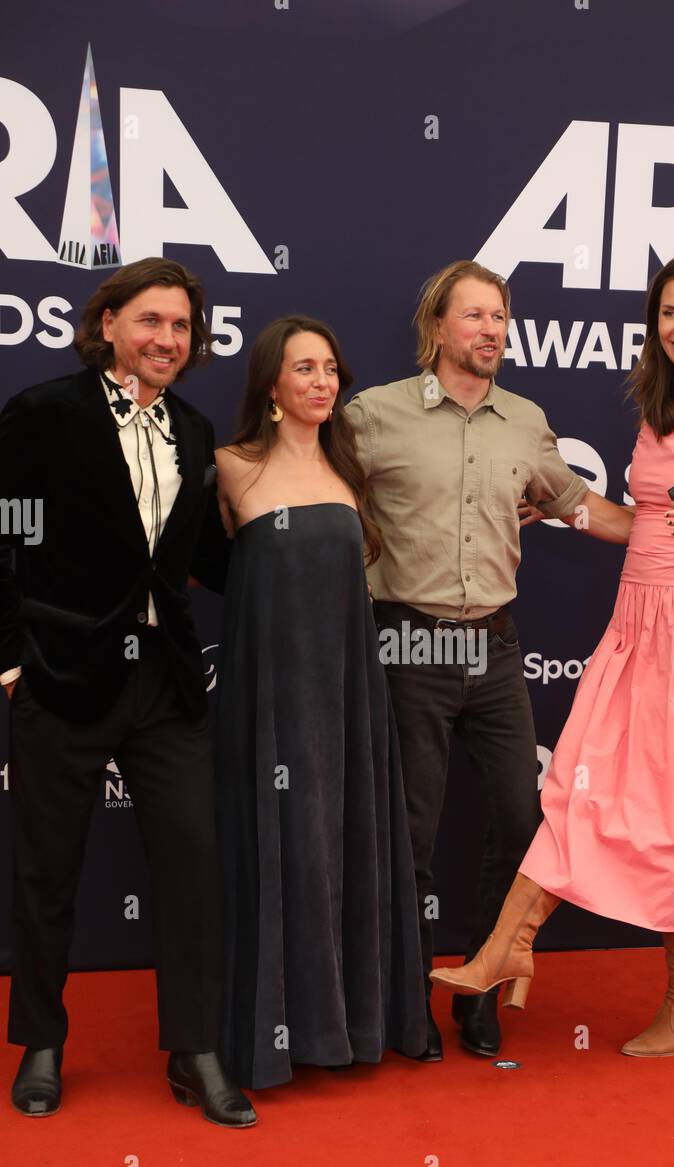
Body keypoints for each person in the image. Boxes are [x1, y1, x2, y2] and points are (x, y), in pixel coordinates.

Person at [431, 249, 674, 1058]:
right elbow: (639, 520)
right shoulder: (656, 407)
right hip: (638, 626)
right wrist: (558, 510)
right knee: (580, 785)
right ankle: (513, 942)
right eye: (669, 313)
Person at [345, 260, 629, 1060]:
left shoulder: (525, 421)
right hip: (408, 643)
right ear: (437, 327)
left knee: (524, 822)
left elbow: (585, 509)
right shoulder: (374, 416)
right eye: (474, 317)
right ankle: (401, 1006)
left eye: (500, 318)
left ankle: (481, 985)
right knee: (411, 836)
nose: (491, 331)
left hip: (496, 648)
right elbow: (312, 487)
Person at [1, 257, 256, 1125]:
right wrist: (11, 659)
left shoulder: (190, 428)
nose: (167, 340)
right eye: (150, 321)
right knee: (47, 870)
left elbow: (198, 560)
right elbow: (5, 537)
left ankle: (195, 1049)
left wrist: (310, 524)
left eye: (181, 327)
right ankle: (40, 1040)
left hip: (166, 678)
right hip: (64, 672)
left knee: (192, 866)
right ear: (107, 324)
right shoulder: (42, 416)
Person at [214, 316, 427, 1089]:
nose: (321, 382)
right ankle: (276, 1035)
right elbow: (212, 573)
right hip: (270, 694)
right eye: (303, 368)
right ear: (271, 384)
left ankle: (354, 1024)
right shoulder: (230, 468)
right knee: (287, 846)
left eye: (330, 369)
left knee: (342, 843)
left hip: (345, 694)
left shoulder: (350, 470)